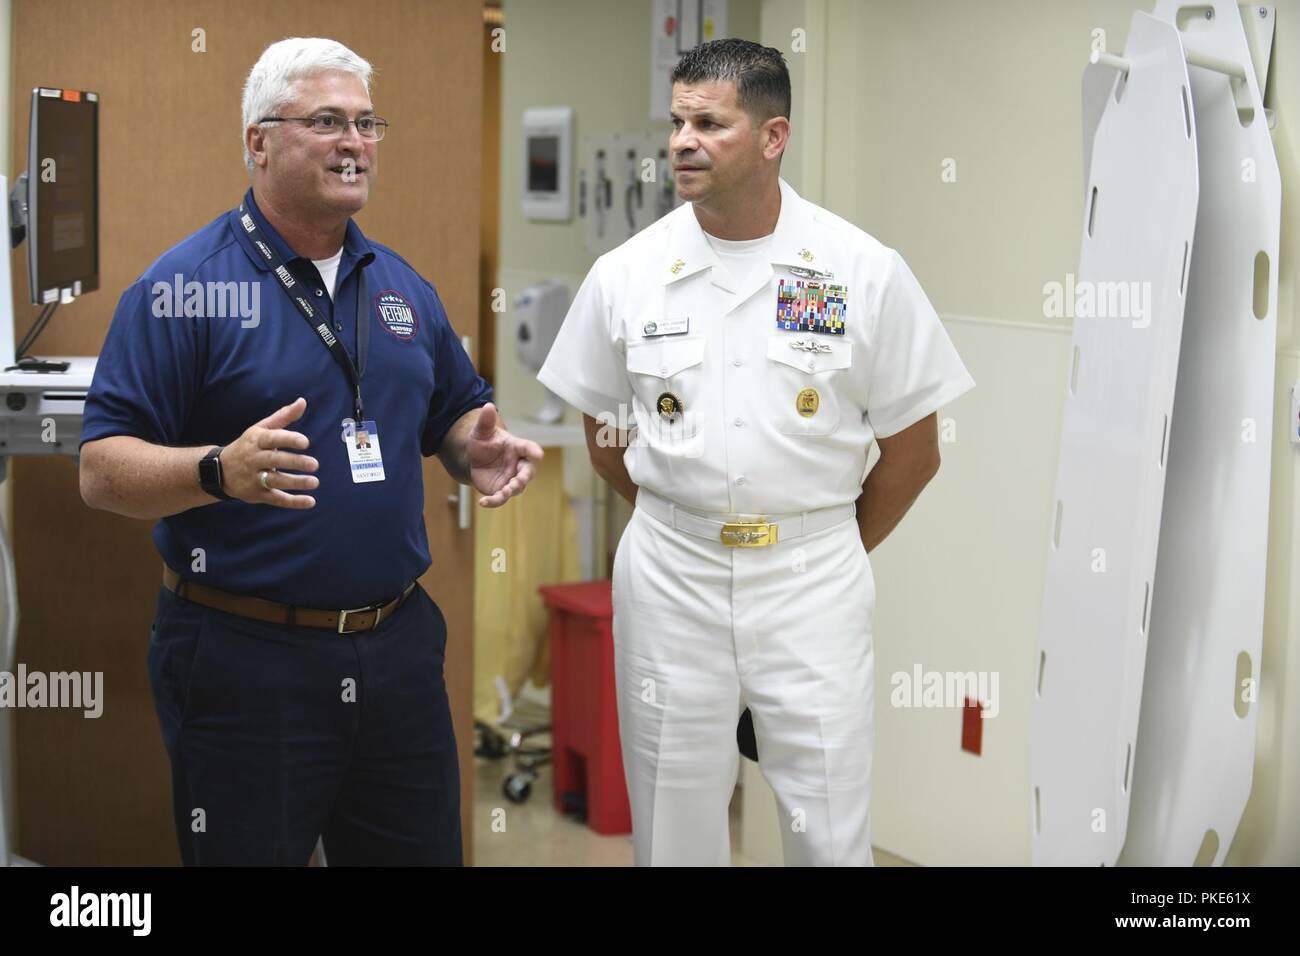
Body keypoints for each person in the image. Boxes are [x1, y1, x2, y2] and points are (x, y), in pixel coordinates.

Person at [78, 37, 542, 866]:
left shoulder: (401, 286)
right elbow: (101, 469)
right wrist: (217, 471)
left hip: (395, 650)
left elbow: (454, 415)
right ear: (259, 141)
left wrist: (478, 449)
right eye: (327, 121)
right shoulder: (184, 289)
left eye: (367, 123)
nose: (354, 142)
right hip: (245, 658)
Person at [538, 38, 974, 866]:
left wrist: (822, 542)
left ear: (772, 137)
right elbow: (604, 438)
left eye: (709, 122)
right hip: (671, 575)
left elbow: (915, 451)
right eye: (677, 122)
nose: (682, 141)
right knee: (672, 823)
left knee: (828, 821)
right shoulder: (628, 273)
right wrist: (689, 520)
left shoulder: (860, 272)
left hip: (812, 581)